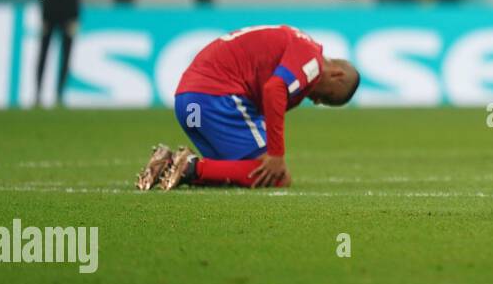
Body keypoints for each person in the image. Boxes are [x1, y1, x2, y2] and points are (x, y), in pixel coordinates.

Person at [135, 26, 360, 191]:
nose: (318, 101)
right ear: (336, 75)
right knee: (277, 176)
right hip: (215, 99)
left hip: (188, 101)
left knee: (233, 173)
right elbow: (274, 90)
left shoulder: (297, 47)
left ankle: (169, 163)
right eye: (327, 97)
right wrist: (276, 153)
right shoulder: (312, 61)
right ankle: (190, 167)